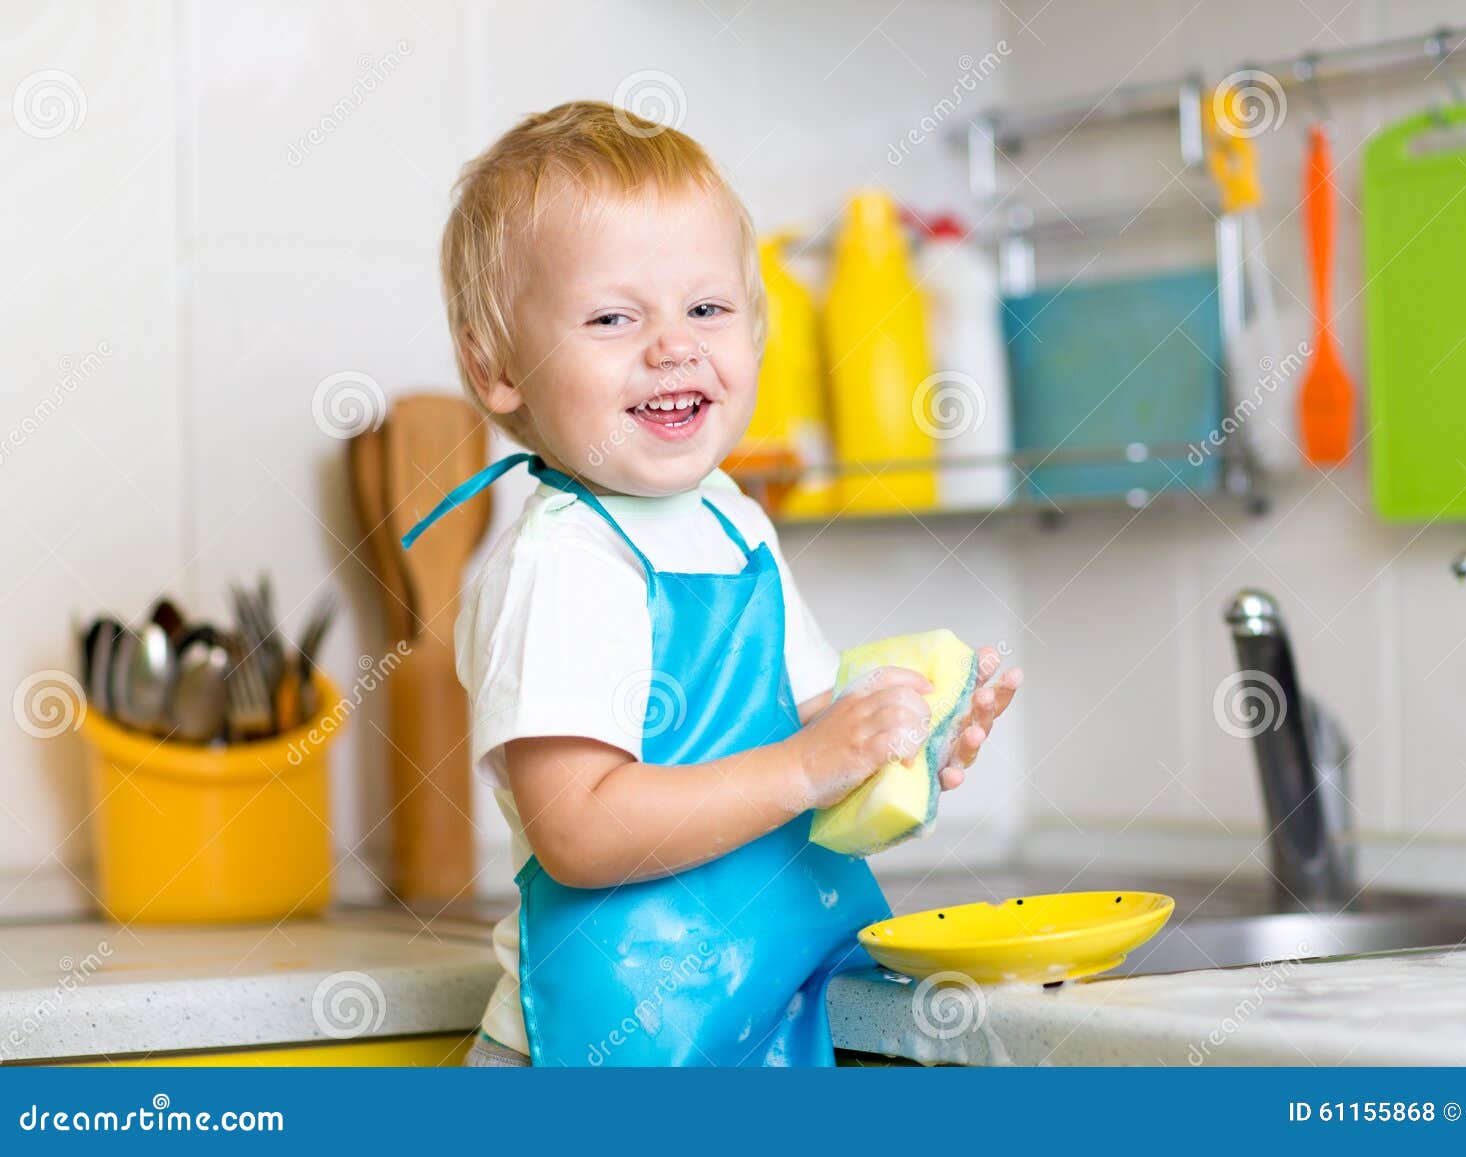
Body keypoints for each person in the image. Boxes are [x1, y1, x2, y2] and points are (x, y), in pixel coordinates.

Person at [405, 101, 1021, 1067]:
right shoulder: (559, 563)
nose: (674, 345)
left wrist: (908, 736)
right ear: (498, 369)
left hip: (774, 1024)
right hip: (610, 1054)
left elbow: (808, 730)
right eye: (613, 317)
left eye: (706, 308)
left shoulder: (733, 519)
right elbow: (580, 826)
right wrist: (809, 764)